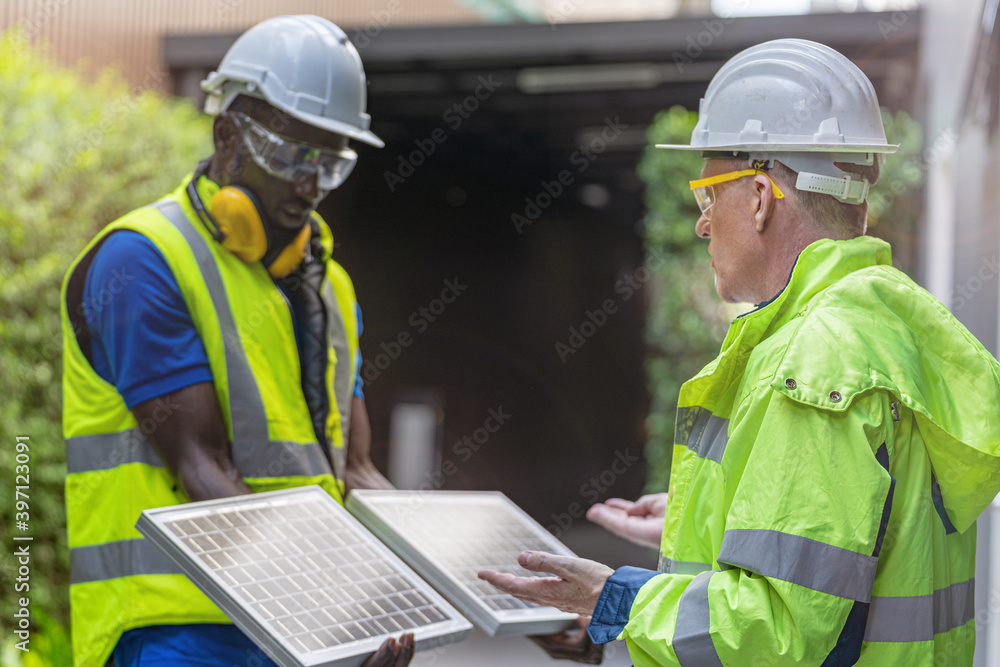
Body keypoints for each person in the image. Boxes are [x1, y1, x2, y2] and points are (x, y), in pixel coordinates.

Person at [480, 38, 1000, 665]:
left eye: (708, 194)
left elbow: (778, 630)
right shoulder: (892, 327)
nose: (702, 222)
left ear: (758, 198)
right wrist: (720, 507)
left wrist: (611, 600)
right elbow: (859, 543)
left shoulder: (817, 358)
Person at [61, 15, 409, 667]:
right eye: (292, 155)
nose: (309, 187)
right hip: (174, 634)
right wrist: (337, 612)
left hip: (296, 628)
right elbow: (204, 467)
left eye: (330, 164)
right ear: (226, 135)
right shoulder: (142, 261)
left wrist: (486, 600)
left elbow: (355, 474)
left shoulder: (329, 286)